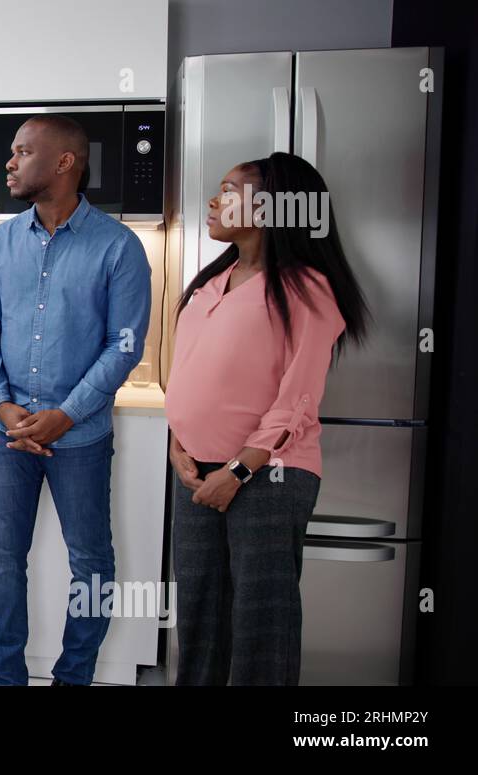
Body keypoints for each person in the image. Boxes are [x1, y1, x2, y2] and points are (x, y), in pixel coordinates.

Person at [165, 151, 367, 685]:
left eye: (229, 191)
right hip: (195, 472)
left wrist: (238, 472)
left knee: (261, 622)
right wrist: (177, 446)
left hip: (267, 475)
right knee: (199, 615)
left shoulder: (307, 289)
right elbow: (188, 378)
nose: (213, 200)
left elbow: (298, 398)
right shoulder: (210, 282)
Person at [0, 115, 151, 685]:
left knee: (91, 561)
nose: (10, 162)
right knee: (2, 559)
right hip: (6, 432)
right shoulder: (0, 242)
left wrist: (66, 414)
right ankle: (5, 678)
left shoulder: (119, 247)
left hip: (81, 436)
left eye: (23, 151)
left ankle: (74, 678)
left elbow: (124, 347)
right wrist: (4, 408)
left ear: (65, 162)